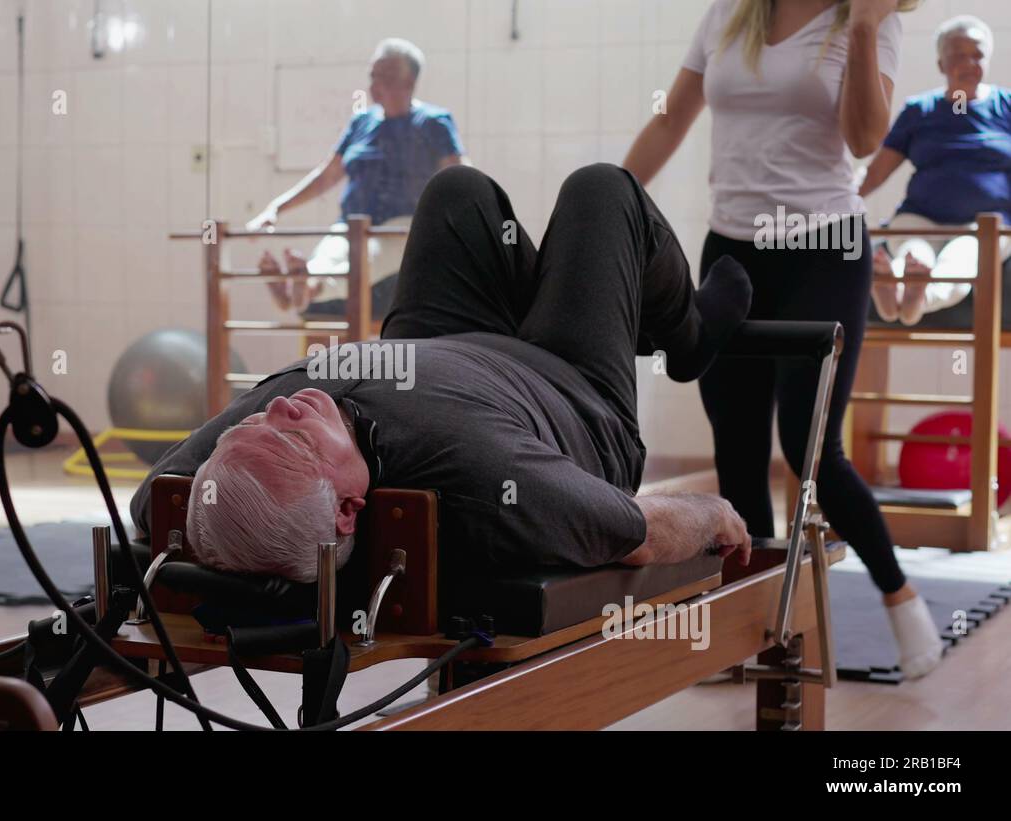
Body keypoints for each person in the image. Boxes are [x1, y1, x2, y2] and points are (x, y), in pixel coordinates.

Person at [132, 164, 756, 585]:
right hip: (571, 387)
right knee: (600, 191)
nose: (282, 406)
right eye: (292, 438)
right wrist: (713, 510)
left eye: (248, 427)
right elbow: (636, 530)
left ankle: (598, 299)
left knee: (457, 192)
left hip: (434, 345)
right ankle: (689, 336)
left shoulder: (261, 454)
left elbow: (151, 501)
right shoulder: (485, 476)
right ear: (352, 508)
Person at [623, 0, 943, 678]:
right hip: (732, 250)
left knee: (809, 448)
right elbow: (671, 117)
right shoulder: (729, 14)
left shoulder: (871, 18)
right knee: (736, 447)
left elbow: (863, 139)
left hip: (823, 247)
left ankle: (901, 596)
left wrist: (859, 25)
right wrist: (610, 204)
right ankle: (747, 627)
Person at [245, 38, 466, 320]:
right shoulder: (361, 122)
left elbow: (458, 176)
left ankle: (299, 291)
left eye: (385, 77)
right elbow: (326, 176)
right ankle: (301, 288)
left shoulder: (434, 122)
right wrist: (274, 209)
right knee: (329, 253)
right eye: (373, 76)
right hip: (351, 223)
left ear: (408, 83)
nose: (374, 85)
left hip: (403, 227)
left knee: (366, 257)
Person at [860, 15, 1011, 325]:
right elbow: (876, 173)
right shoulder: (920, 110)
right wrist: (836, 202)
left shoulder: (1006, 106)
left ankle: (909, 300)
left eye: (977, 54)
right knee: (915, 254)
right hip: (918, 219)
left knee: (963, 257)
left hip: (981, 227)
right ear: (941, 64)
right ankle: (897, 293)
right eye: (958, 55)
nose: (969, 62)